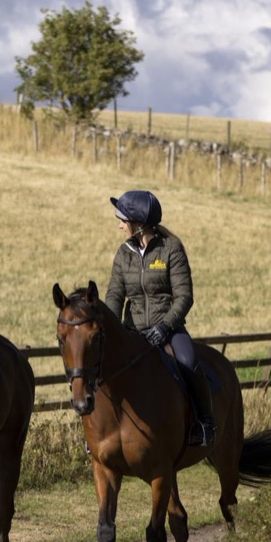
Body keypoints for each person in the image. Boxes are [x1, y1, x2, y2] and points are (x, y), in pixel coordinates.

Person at [104, 189, 214, 446]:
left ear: (138, 224)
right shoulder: (123, 254)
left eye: (123, 220)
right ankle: (102, 434)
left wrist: (165, 327)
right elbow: (114, 296)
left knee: (188, 361)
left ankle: (205, 423)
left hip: (169, 329)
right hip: (133, 332)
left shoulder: (171, 250)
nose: (120, 225)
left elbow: (184, 297)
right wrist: (111, 330)